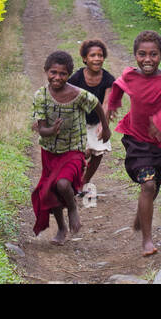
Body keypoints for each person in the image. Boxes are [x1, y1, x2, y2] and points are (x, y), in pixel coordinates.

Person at [104, 30, 161, 256]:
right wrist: (113, 104)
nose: (147, 59)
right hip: (136, 140)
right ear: (135, 55)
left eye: (153, 54)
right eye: (142, 54)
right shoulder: (131, 75)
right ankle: (147, 241)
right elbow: (119, 84)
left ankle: (141, 214)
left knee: (155, 184)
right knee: (148, 184)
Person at [31, 50, 107, 244]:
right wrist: (51, 130)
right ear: (46, 71)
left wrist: (105, 128)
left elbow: (97, 103)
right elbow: (41, 129)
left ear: (69, 74)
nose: (57, 77)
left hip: (73, 148)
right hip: (49, 151)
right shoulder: (41, 96)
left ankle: (72, 208)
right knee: (50, 191)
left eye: (63, 74)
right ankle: (62, 228)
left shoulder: (77, 94)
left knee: (63, 184)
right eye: (53, 73)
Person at [68, 39, 115, 192]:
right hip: (79, 121)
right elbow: (69, 98)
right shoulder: (76, 78)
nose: (97, 58)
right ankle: (75, 176)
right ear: (85, 59)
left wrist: (104, 124)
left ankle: (84, 181)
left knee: (98, 151)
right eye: (92, 55)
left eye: (100, 55)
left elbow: (107, 103)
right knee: (83, 152)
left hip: (97, 121)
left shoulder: (108, 79)